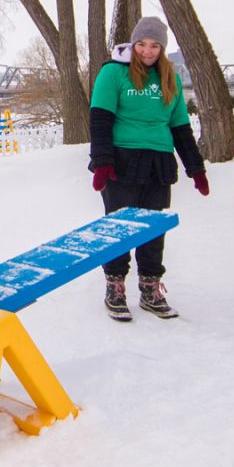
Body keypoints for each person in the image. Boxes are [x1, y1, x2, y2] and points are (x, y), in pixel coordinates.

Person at [88, 16, 209, 321]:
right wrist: (102, 161)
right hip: (122, 161)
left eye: (154, 45)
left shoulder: (170, 78)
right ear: (133, 43)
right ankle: (115, 287)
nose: (147, 50)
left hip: (158, 162)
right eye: (141, 44)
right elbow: (100, 118)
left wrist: (196, 168)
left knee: (153, 228)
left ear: (162, 48)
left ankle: (150, 288)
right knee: (120, 228)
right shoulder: (114, 72)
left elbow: (180, 126)